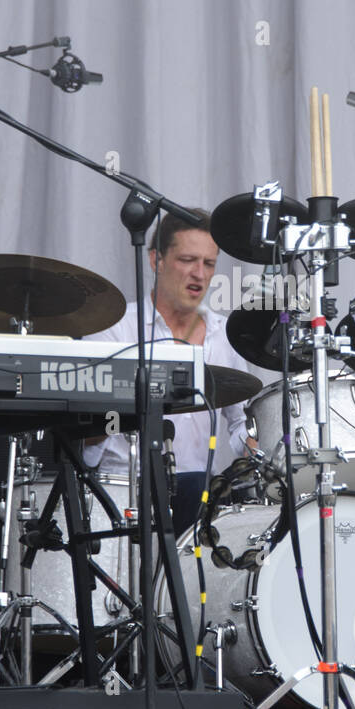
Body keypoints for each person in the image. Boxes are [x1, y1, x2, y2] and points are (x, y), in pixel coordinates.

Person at [83, 211, 252, 535]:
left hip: (199, 501)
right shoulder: (115, 330)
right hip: (121, 496)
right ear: (155, 260)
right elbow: (85, 432)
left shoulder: (224, 335)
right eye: (188, 260)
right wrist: (115, 414)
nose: (199, 274)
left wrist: (257, 450)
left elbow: (241, 422)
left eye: (209, 263)